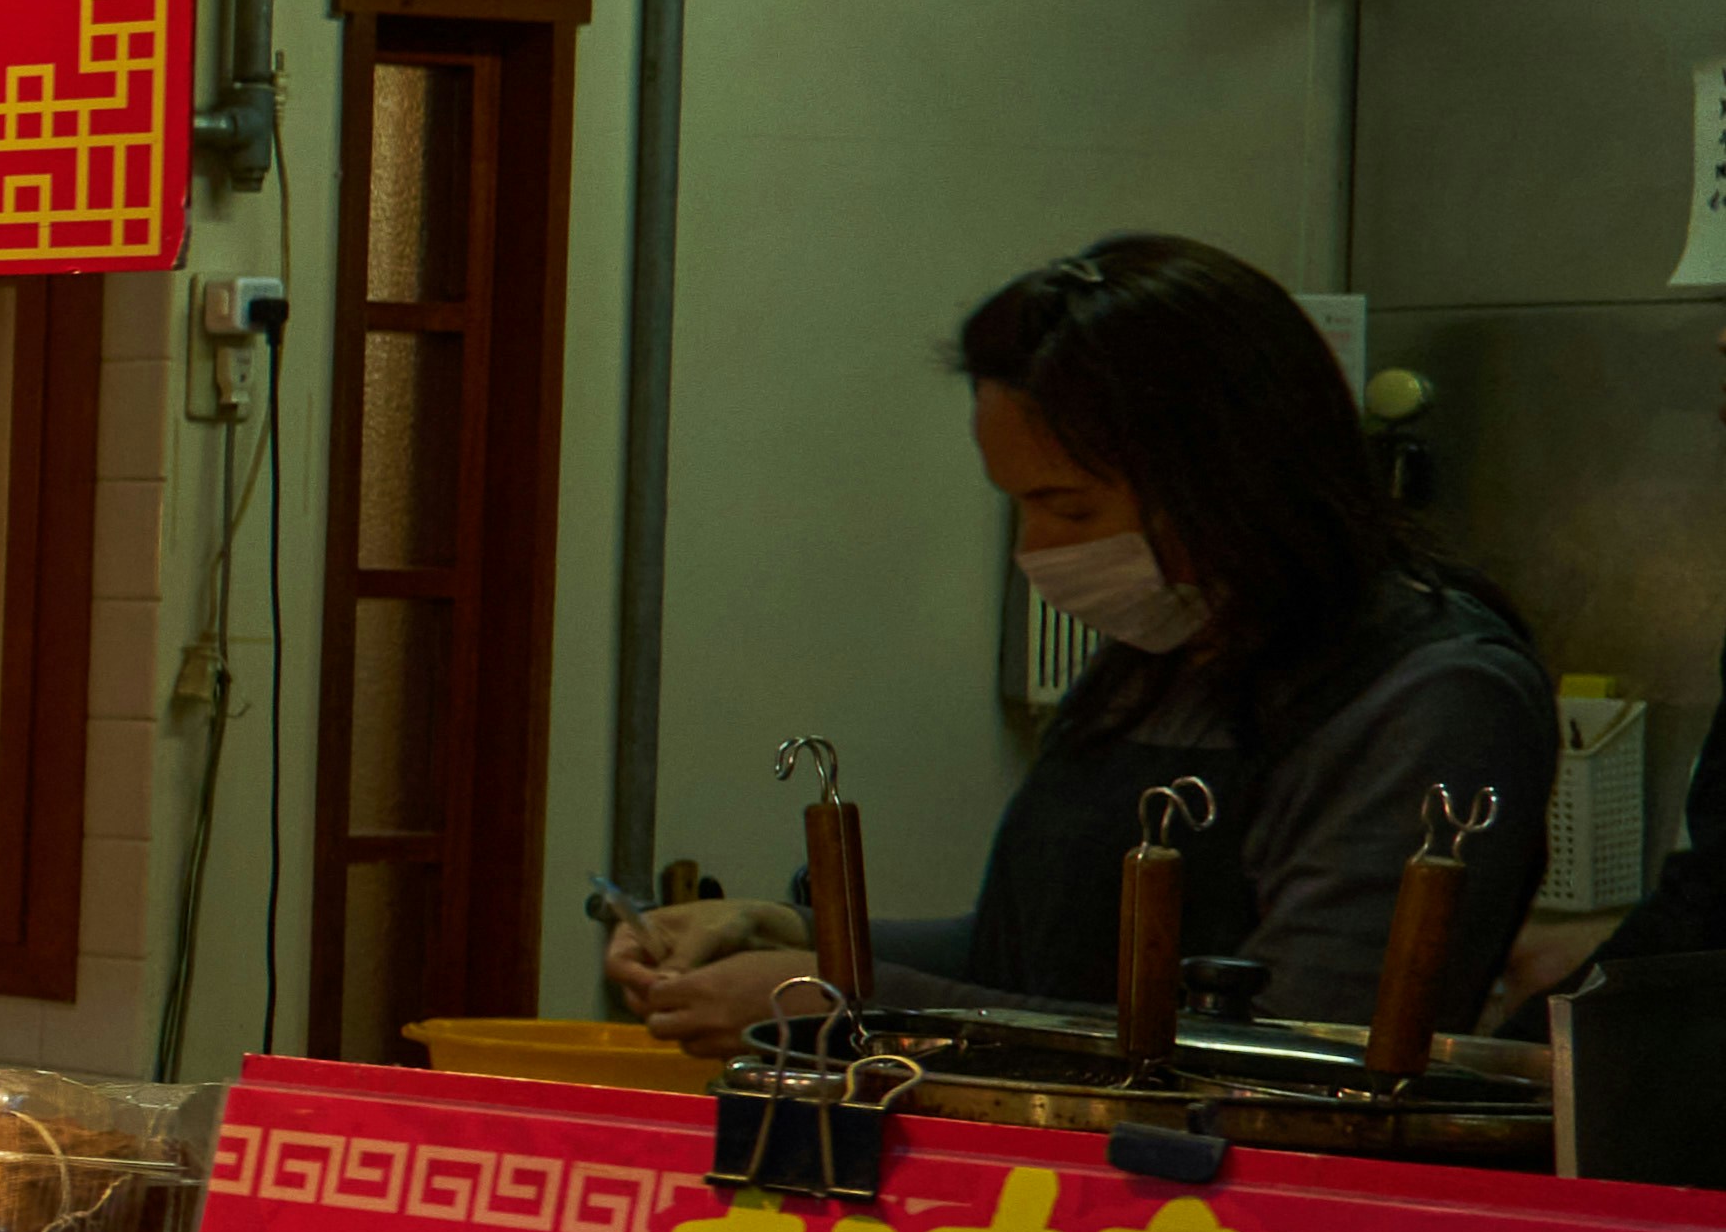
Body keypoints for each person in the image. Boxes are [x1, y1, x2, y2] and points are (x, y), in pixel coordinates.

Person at [611, 232, 1563, 1043]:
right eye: (1018, 509)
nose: (1037, 552)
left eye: (1067, 508)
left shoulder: (1425, 698)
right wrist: (799, 936)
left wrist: (856, 1004)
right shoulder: (1163, 659)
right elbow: (1040, 961)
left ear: (1231, 474)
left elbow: (1302, 1047)